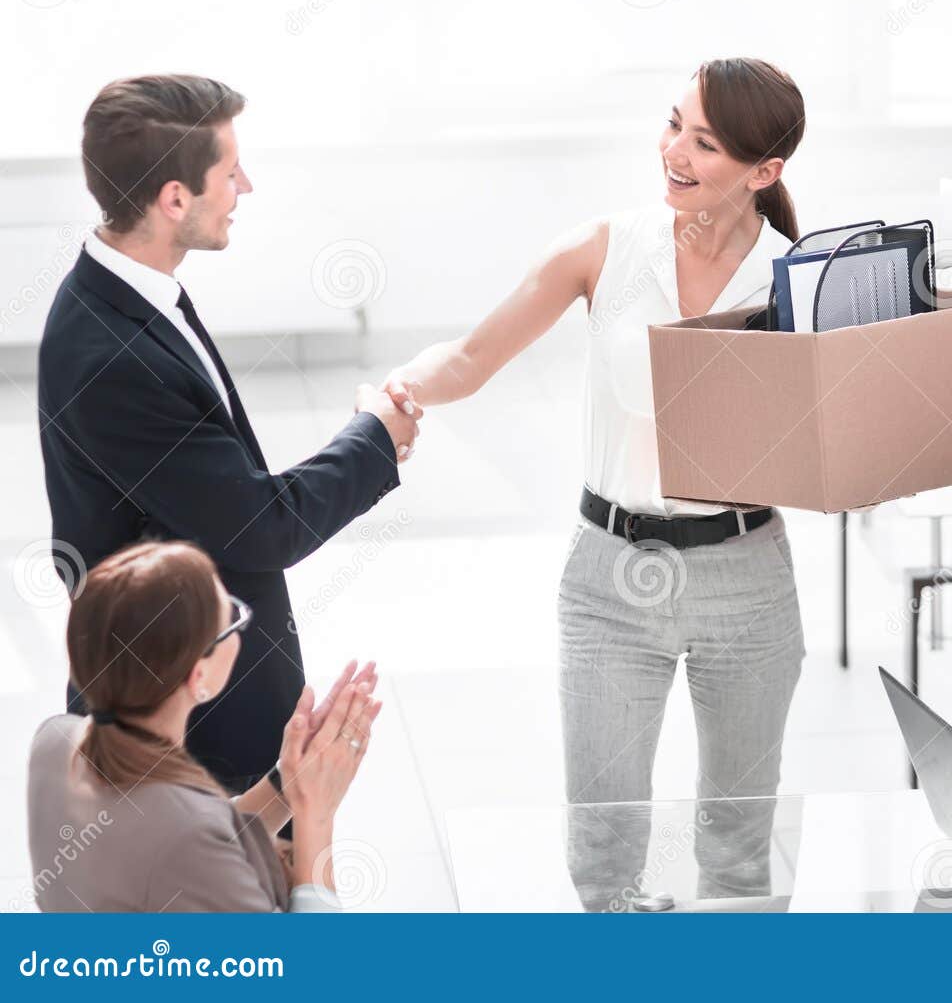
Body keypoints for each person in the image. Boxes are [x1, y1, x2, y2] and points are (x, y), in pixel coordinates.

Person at [380, 58, 806, 909]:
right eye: (673, 123)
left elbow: (835, 436)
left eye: (705, 143)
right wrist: (390, 396)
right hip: (612, 576)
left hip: (748, 576)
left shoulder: (798, 276)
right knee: (604, 853)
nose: (673, 150)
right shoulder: (604, 249)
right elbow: (470, 357)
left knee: (738, 850)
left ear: (765, 173)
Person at [37, 75, 417, 793]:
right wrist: (378, 437)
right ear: (174, 198)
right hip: (185, 738)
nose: (247, 184)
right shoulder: (111, 358)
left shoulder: (129, 292)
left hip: (209, 699)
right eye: (229, 171)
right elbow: (262, 525)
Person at [27, 541, 381, 912]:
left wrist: (286, 782)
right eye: (230, 617)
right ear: (199, 674)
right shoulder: (186, 835)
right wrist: (317, 814)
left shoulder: (53, 740)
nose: (239, 624)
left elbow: (197, 843)